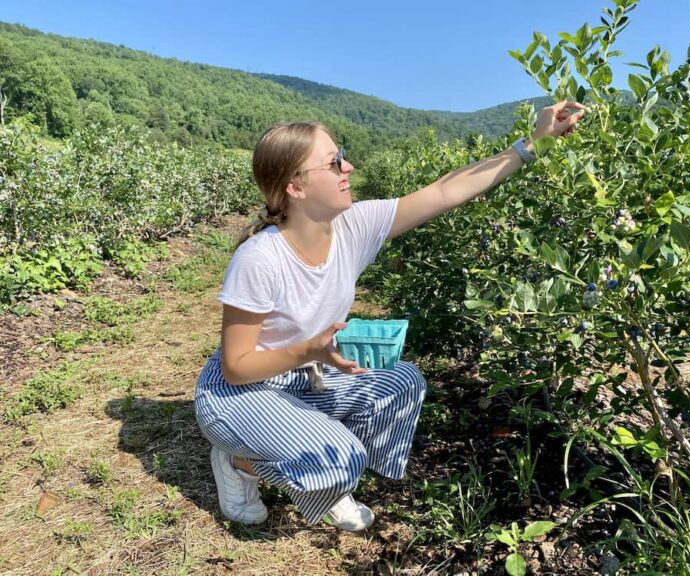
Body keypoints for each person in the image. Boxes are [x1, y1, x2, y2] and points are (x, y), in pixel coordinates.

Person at [194, 100, 585, 531]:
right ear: (296, 187)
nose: (349, 166)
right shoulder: (260, 259)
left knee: (402, 382)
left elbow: (444, 191)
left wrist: (533, 144)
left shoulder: (354, 225)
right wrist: (310, 349)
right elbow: (236, 367)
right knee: (340, 458)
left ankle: (330, 473)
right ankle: (240, 463)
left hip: (306, 376)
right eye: (334, 162)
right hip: (240, 394)